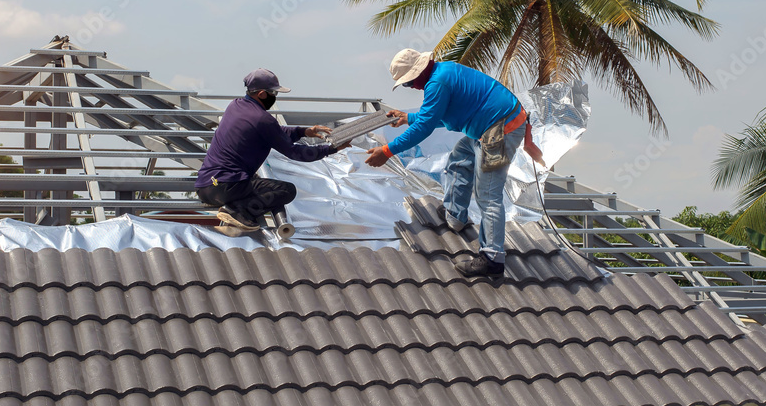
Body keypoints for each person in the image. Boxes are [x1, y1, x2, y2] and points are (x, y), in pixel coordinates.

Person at [366, 49, 527, 277]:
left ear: (418, 73)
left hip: (500, 130)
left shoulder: (437, 83)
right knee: (461, 155)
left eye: (408, 83)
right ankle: (455, 214)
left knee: (488, 195)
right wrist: (408, 118)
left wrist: (387, 150)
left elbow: (425, 127)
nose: (411, 87)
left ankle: (492, 258)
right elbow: (440, 114)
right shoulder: (443, 72)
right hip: (491, 125)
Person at [196, 69, 336, 231]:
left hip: (206, 186)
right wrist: (331, 149)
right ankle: (239, 211)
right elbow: (295, 153)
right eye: (274, 93)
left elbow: (275, 133)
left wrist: (303, 131)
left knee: (250, 180)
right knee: (286, 190)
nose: (275, 97)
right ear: (262, 94)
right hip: (226, 189)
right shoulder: (262, 119)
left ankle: (237, 208)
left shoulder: (235, 106)